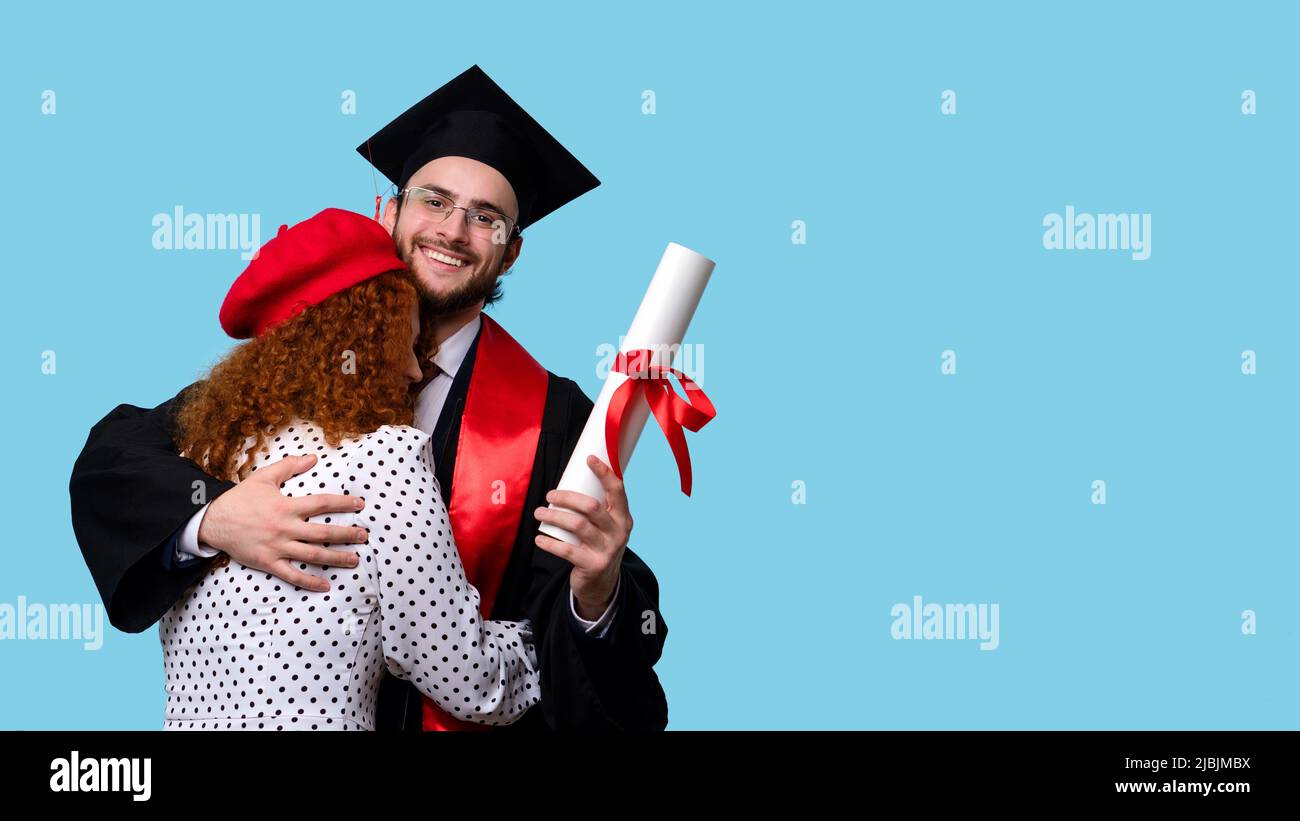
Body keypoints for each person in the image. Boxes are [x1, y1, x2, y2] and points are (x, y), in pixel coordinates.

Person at [69, 64, 668, 731]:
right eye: (433, 200)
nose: (452, 229)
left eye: (486, 218)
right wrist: (212, 519)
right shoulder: (260, 395)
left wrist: (599, 591)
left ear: (512, 252)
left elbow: (583, 618)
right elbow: (114, 460)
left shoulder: (552, 418)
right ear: (388, 211)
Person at [163, 207, 540, 730]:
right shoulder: (385, 458)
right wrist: (539, 642)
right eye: (406, 344)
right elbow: (468, 681)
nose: (414, 370)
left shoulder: (200, 460)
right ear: (360, 345)